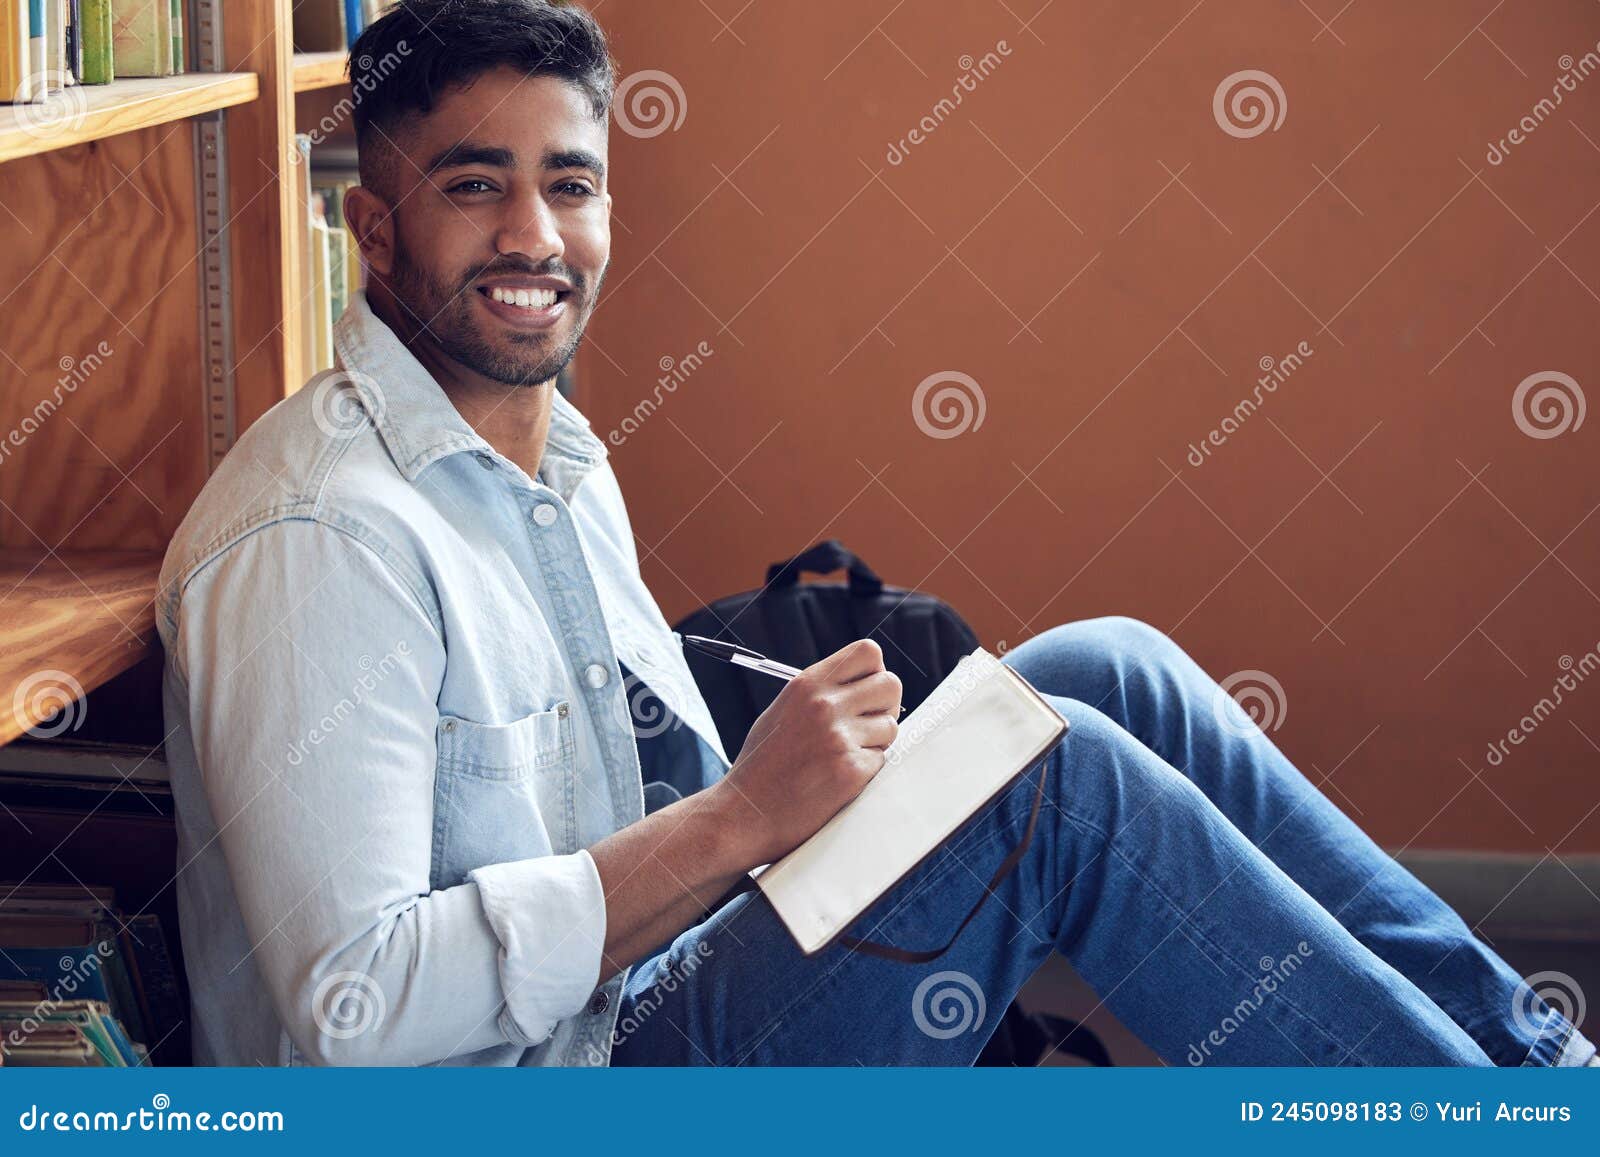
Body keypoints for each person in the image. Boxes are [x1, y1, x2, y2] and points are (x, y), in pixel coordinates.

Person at [155, 0, 1595, 1068]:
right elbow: (351, 1010)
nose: (534, 232)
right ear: (378, 228)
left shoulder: (547, 455)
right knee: (1061, 786)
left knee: (1108, 673)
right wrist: (741, 819)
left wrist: (814, 798)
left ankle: (1535, 1074)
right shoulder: (321, 540)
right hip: (559, 1080)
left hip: (656, 976)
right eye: (475, 186)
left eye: (571, 183)